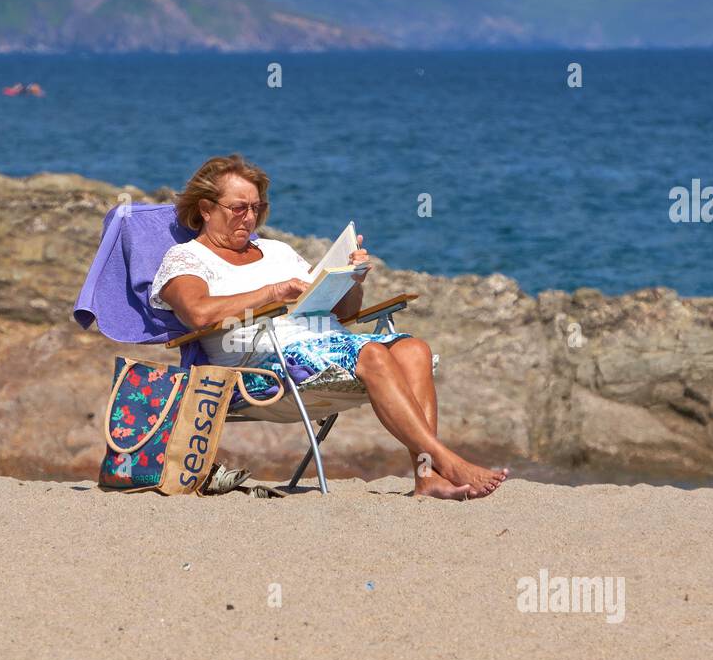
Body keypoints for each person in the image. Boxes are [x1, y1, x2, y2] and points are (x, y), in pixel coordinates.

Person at [150, 155, 510, 500]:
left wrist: (352, 279)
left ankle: (426, 477)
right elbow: (197, 313)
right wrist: (273, 292)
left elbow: (346, 312)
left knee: (414, 348)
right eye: (238, 208)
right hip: (261, 365)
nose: (249, 217)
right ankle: (445, 461)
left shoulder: (276, 251)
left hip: (324, 343)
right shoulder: (186, 258)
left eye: (256, 208)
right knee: (370, 354)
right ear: (205, 208)